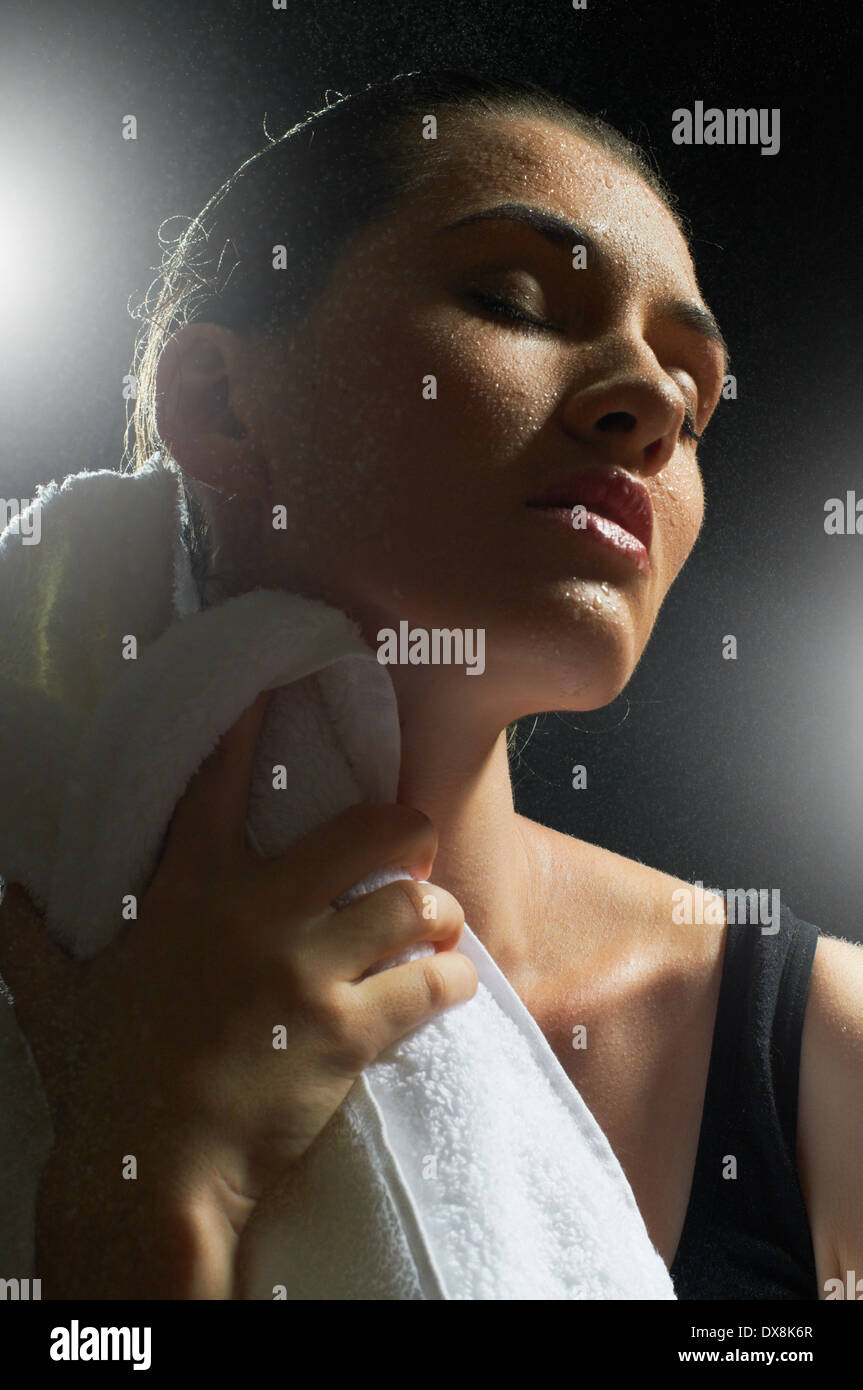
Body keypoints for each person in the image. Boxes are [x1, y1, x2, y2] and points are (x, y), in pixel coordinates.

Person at [1, 69, 861, 1301]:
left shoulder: (820, 1048)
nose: (653, 403)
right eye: (510, 297)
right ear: (217, 405)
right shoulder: (35, 967)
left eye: (693, 385)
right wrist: (142, 1186)